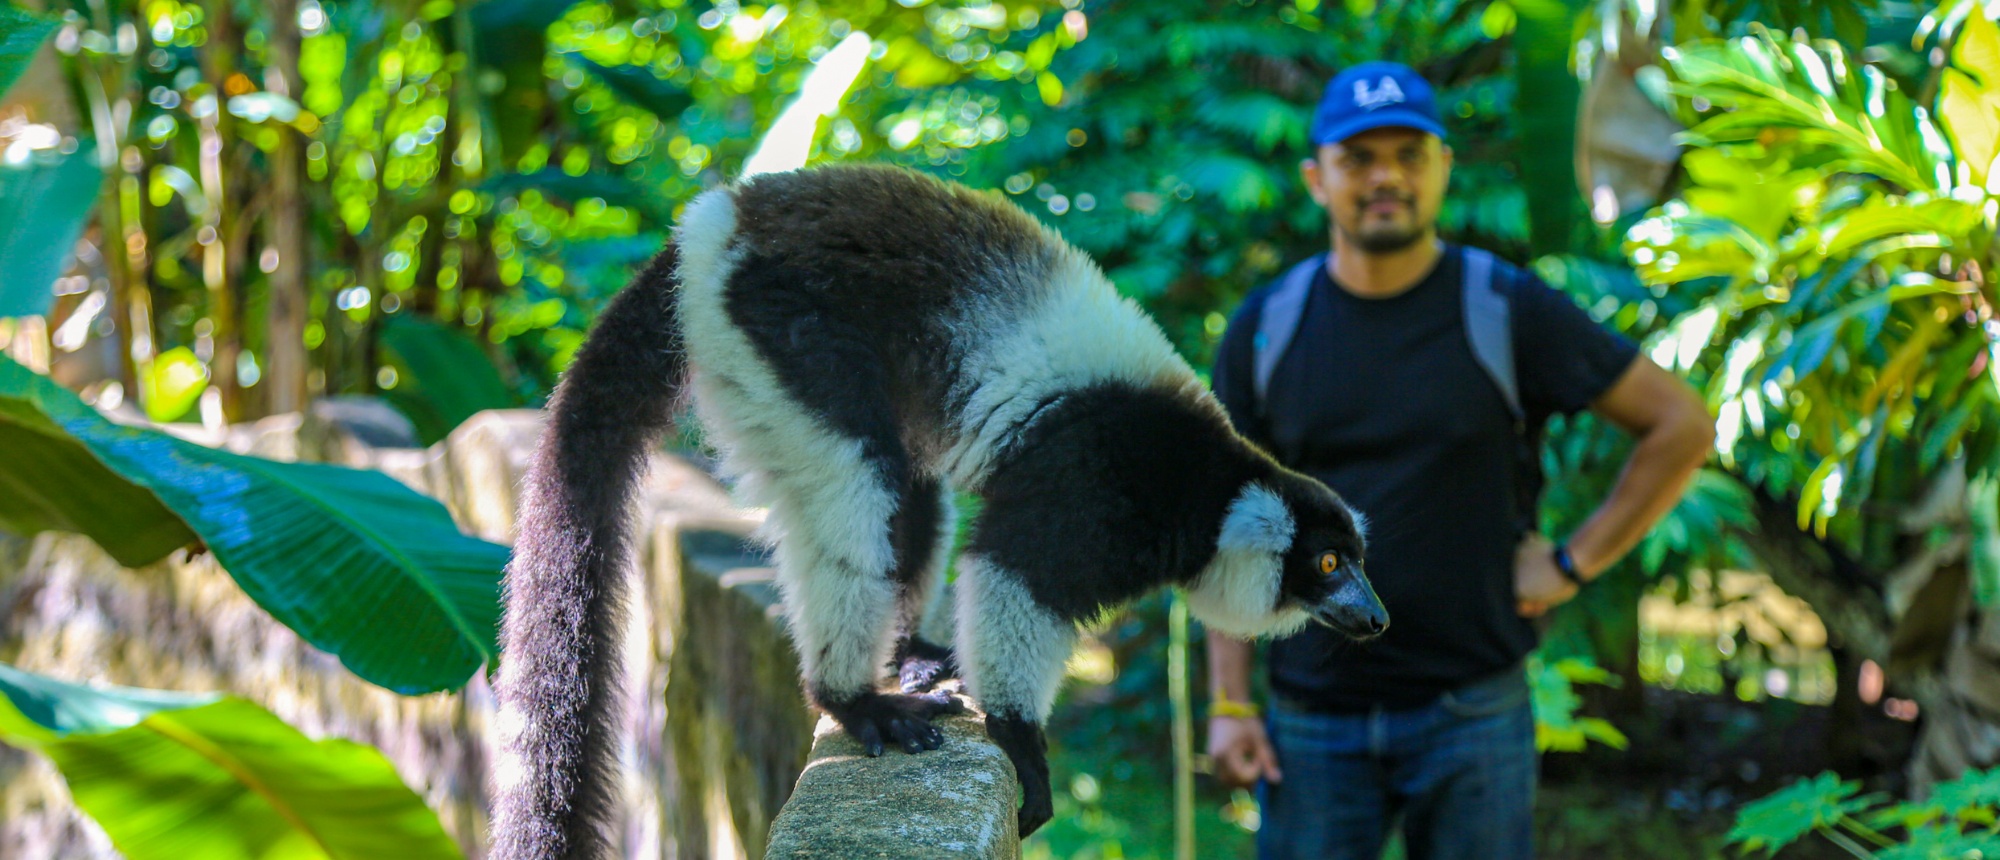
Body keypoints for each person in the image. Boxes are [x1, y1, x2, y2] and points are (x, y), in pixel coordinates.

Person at [1203, 61, 1715, 860]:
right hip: (1312, 722)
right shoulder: (1266, 329)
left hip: (1472, 716)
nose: (1386, 177)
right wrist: (1232, 702)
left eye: (1410, 155)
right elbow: (1226, 525)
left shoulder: (1506, 308)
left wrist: (1573, 564)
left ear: (1443, 167)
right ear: (1317, 177)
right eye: (1359, 157)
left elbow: (1680, 424)